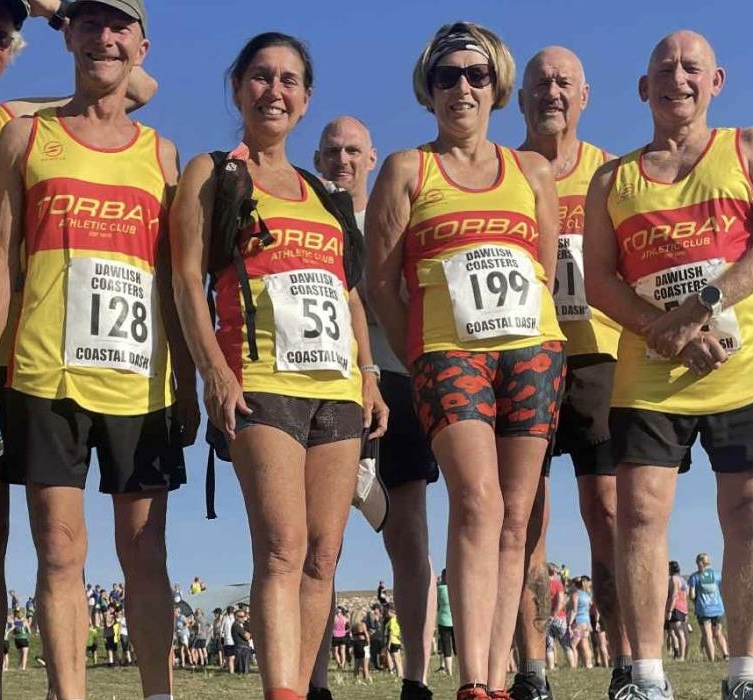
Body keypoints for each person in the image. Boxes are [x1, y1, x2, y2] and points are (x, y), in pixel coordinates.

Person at [0, 0, 157, 692]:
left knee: (60, 542)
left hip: (43, 351)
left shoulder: (21, 120)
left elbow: (134, 86)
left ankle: (62, 683)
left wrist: (59, 13)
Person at [584, 29, 753, 700]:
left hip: (751, 367)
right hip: (649, 374)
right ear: (644, 88)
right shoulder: (612, 178)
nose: (679, 77)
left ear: (716, 82)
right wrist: (664, 328)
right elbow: (597, 280)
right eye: (664, 68)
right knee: (641, 515)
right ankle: (647, 678)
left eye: (692, 67)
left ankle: (744, 677)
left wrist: (701, 306)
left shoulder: (752, 146)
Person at [170, 31, 387, 700]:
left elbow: (347, 291)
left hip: (337, 389)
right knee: (284, 546)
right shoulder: (215, 171)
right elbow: (183, 275)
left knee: (325, 554)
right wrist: (213, 369)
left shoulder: (323, 192)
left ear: (305, 99)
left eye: (289, 80)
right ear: (238, 89)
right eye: (261, 77)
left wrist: (370, 373)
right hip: (261, 382)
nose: (274, 90)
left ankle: (306, 688)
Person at [366, 21, 564, 700]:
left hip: (531, 350)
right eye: (446, 75)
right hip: (450, 355)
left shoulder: (532, 170)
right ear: (428, 88)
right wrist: (420, 349)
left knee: (516, 512)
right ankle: (473, 679)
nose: (461, 87)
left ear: (496, 85)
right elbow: (380, 283)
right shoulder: (405, 169)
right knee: (474, 501)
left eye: (476, 75)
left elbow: (538, 266)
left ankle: (499, 675)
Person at [510, 45, 631, 700]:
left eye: (563, 82)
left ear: (585, 95)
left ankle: (622, 665)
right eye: (539, 83)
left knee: (608, 512)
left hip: (599, 356)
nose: (551, 92)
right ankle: (533, 671)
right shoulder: (501, 172)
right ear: (521, 99)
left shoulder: (611, 173)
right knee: (524, 516)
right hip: (524, 356)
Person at [316, 115, 440, 700]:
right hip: (324, 389)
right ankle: (314, 681)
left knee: (409, 536)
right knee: (319, 543)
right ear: (318, 160)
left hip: (395, 382)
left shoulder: (397, 222)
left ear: (373, 159)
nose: (342, 160)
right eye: (332, 151)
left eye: (353, 151)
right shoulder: (308, 216)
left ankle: (415, 678)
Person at [688, 553, 729, 662]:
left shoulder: (695, 577)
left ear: (699, 563)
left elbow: (691, 594)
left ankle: (711, 659)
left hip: (704, 609)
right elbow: (722, 590)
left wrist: (695, 602)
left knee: (707, 635)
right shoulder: (717, 575)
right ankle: (725, 654)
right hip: (718, 608)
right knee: (718, 633)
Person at [566, 577, 593, 669]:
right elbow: (589, 607)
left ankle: (574, 665)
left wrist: (569, 623)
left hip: (578, 621)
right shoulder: (586, 595)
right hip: (586, 621)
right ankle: (588, 664)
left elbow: (574, 609)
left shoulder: (575, 594)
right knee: (585, 643)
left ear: (574, 585)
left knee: (573, 644)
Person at [665, 561, 689, 661]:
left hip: (675, 607)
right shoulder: (683, 580)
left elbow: (674, 595)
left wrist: (669, 610)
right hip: (683, 607)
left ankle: (681, 656)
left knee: (678, 632)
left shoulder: (674, 579)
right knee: (677, 632)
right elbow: (685, 595)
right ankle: (680, 654)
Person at [352, 617, 372, 684]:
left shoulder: (353, 625)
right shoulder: (362, 625)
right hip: (363, 644)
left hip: (356, 644)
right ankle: (366, 679)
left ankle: (356, 678)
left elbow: (353, 636)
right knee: (365, 665)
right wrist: (369, 644)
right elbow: (366, 635)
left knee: (356, 663)